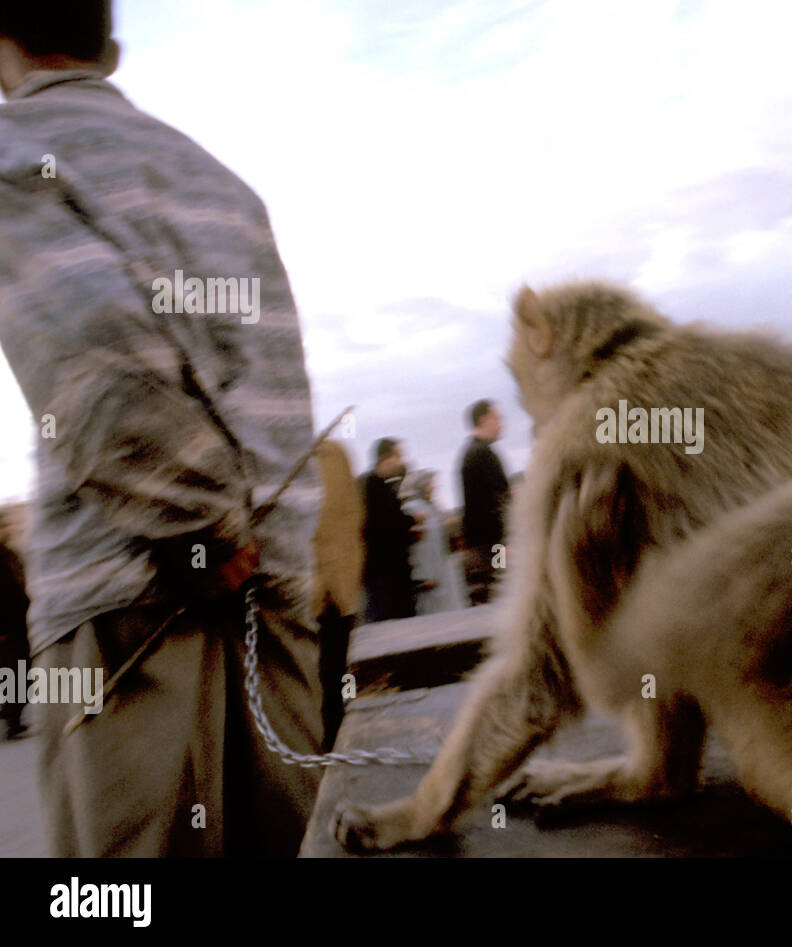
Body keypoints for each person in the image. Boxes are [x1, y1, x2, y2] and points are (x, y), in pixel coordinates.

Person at [0, 2, 324, 856]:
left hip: (136, 603)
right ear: (110, 43)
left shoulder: (11, 156)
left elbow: (91, 360)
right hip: (274, 594)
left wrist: (202, 531)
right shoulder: (215, 177)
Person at [311, 440, 363, 751]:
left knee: (335, 679)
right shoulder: (330, 454)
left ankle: (334, 747)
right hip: (304, 592)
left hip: (334, 590)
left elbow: (351, 517)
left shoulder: (333, 453)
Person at [360, 438, 419, 623]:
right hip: (386, 576)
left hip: (386, 575)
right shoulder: (373, 489)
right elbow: (385, 527)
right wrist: (411, 521)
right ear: (386, 458)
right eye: (399, 456)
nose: (402, 461)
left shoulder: (377, 486)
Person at [459, 400, 510, 605]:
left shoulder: (471, 453)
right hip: (492, 546)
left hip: (484, 545)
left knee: (492, 596)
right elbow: (493, 504)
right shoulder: (482, 454)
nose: (501, 424)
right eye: (497, 418)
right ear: (483, 420)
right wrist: (505, 541)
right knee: (500, 592)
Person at [402, 470, 469, 615]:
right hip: (429, 569)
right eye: (431, 483)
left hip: (442, 566)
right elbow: (418, 546)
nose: (434, 487)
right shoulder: (414, 508)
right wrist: (423, 575)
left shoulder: (433, 507)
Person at [0, 524, 30, 741]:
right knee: (18, 671)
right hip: (8, 627)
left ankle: (11, 715)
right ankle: (12, 719)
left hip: (19, 622)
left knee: (20, 672)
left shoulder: (6, 552)